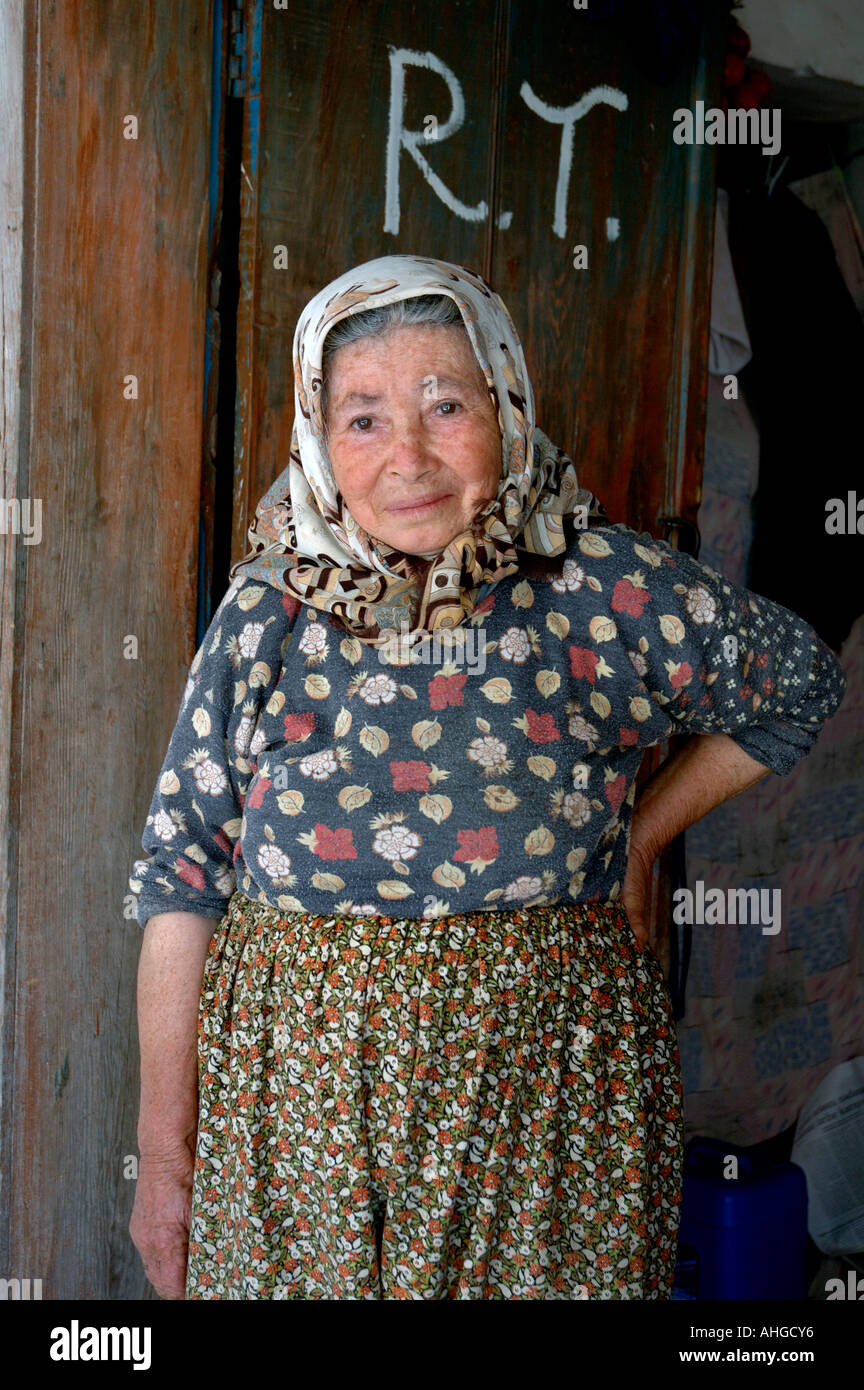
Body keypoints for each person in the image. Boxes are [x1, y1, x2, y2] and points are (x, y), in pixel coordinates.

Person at [128, 254, 846, 1300]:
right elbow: (183, 881)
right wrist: (165, 1159)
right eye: (363, 417)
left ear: (507, 406)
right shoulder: (267, 610)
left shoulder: (596, 584)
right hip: (296, 1136)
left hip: (548, 1120)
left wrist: (643, 833)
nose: (407, 456)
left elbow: (798, 684)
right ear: (320, 440)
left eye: (445, 404)